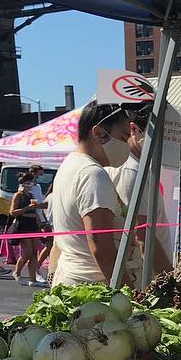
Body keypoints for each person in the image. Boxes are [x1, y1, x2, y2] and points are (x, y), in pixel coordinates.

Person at [48, 100, 132, 286]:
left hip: (70, 278)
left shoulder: (69, 164)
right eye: (124, 137)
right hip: (90, 287)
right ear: (99, 133)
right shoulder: (92, 174)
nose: (128, 144)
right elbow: (101, 246)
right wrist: (132, 295)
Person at [105, 106, 172, 284]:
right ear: (134, 129)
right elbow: (143, 238)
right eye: (158, 136)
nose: (162, 143)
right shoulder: (133, 173)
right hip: (146, 276)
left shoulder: (132, 167)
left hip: (144, 272)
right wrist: (173, 280)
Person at [8, 179, 44, 287]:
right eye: (29, 183)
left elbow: (36, 212)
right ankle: (17, 272)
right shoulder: (18, 195)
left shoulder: (31, 195)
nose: (31, 185)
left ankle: (32, 279)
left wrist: (40, 223)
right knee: (27, 253)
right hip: (23, 225)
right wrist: (27, 208)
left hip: (33, 225)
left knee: (34, 253)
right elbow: (12, 212)